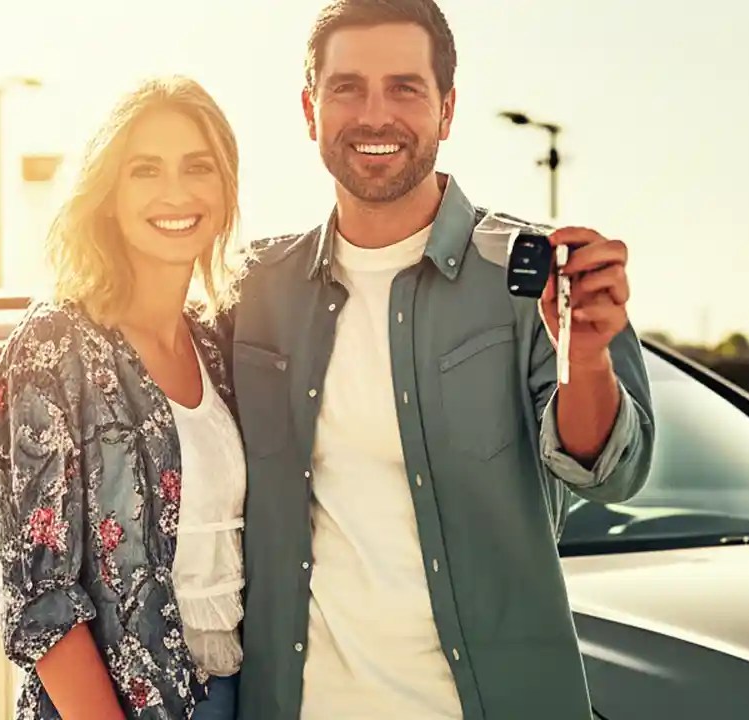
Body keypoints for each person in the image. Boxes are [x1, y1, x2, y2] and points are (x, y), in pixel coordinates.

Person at [229, 1, 657, 718]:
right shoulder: (252, 290)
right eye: (346, 88)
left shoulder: (540, 279)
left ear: (447, 109)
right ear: (310, 110)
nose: (374, 116)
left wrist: (585, 358)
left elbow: (613, 472)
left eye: (404, 87)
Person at [0, 75, 246, 720]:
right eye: (145, 170)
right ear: (107, 195)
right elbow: (38, 594)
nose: (176, 193)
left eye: (198, 167)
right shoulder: (55, 346)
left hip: (237, 694)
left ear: (224, 189)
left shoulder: (219, 345)